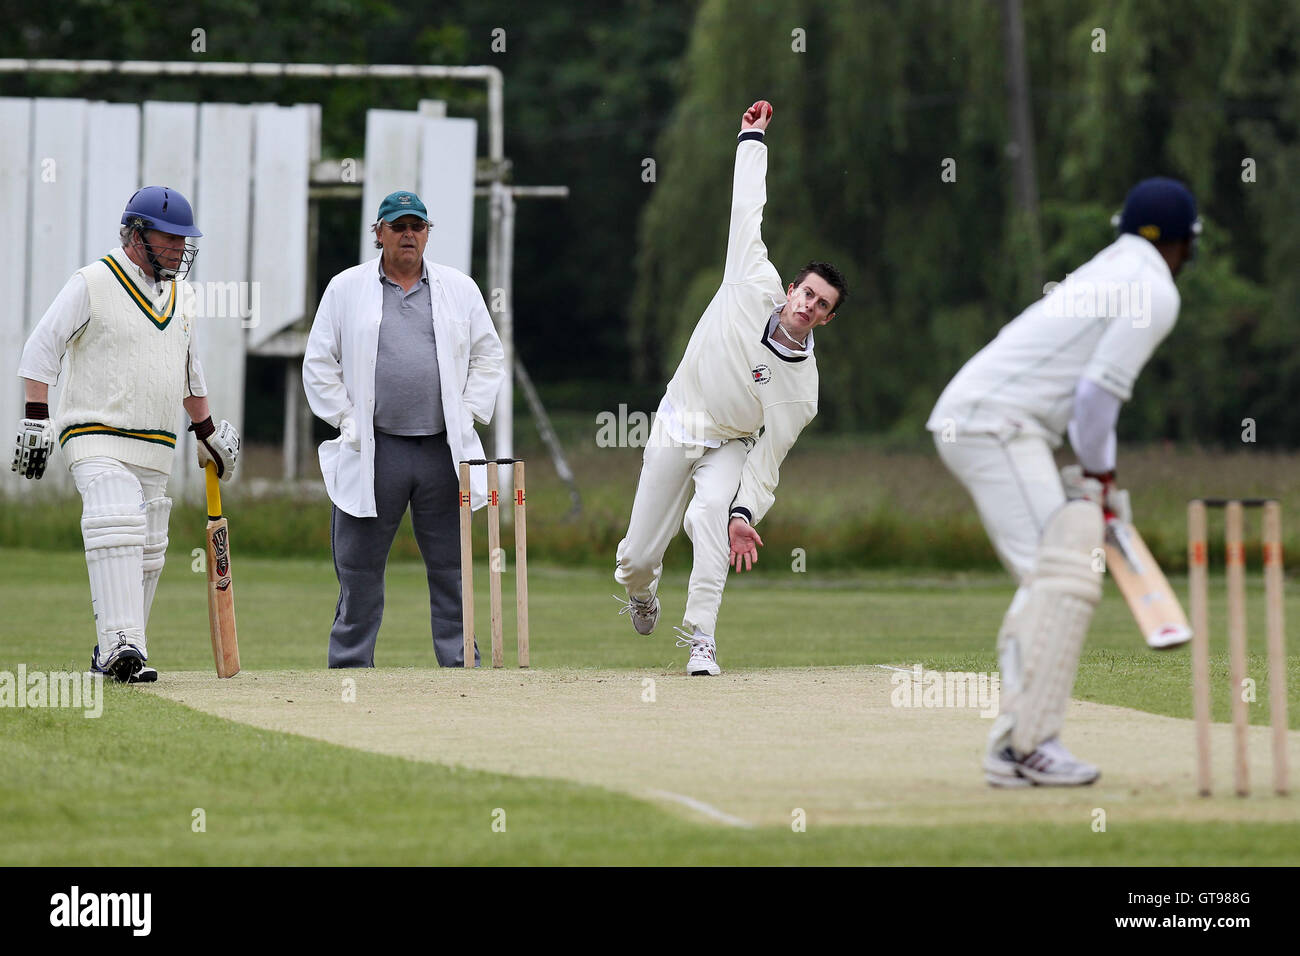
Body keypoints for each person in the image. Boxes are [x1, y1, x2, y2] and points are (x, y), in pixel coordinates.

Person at [927, 177, 1200, 786]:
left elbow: (1087, 398)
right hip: (993, 425)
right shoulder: (1153, 287)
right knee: (1060, 578)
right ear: (1185, 244)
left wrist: (1095, 483)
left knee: (1052, 579)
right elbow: (1096, 396)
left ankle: (1021, 742)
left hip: (990, 420)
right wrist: (1100, 480)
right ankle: (1024, 745)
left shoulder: (1112, 267)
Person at [613, 101, 848, 676]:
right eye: (806, 293)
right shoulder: (750, 279)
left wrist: (745, 513)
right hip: (679, 420)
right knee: (638, 556)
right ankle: (642, 590)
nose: (808, 304)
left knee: (712, 516)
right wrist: (750, 138)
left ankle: (701, 640)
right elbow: (748, 209)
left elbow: (767, 462)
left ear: (825, 319)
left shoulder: (802, 390)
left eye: (822, 305)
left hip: (731, 444)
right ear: (790, 289)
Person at [13, 185, 240, 683]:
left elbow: (190, 374)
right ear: (136, 234)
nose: (180, 249)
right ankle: (123, 644)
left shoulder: (184, 296)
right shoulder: (92, 281)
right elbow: (40, 350)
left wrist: (205, 432)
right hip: (94, 431)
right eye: (170, 238)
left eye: (185, 241)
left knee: (148, 543)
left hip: (156, 446)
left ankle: (115, 656)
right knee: (116, 516)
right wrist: (35, 419)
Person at [303, 189, 505, 668]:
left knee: (452, 568)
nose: (408, 234)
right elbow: (318, 363)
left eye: (417, 226)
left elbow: (489, 356)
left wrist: (468, 411)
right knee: (358, 566)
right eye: (398, 226)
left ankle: (461, 663)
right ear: (379, 234)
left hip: (442, 449)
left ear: (428, 233)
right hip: (375, 448)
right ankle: (350, 664)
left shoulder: (459, 287)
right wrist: (348, 419)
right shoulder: (346, 288)